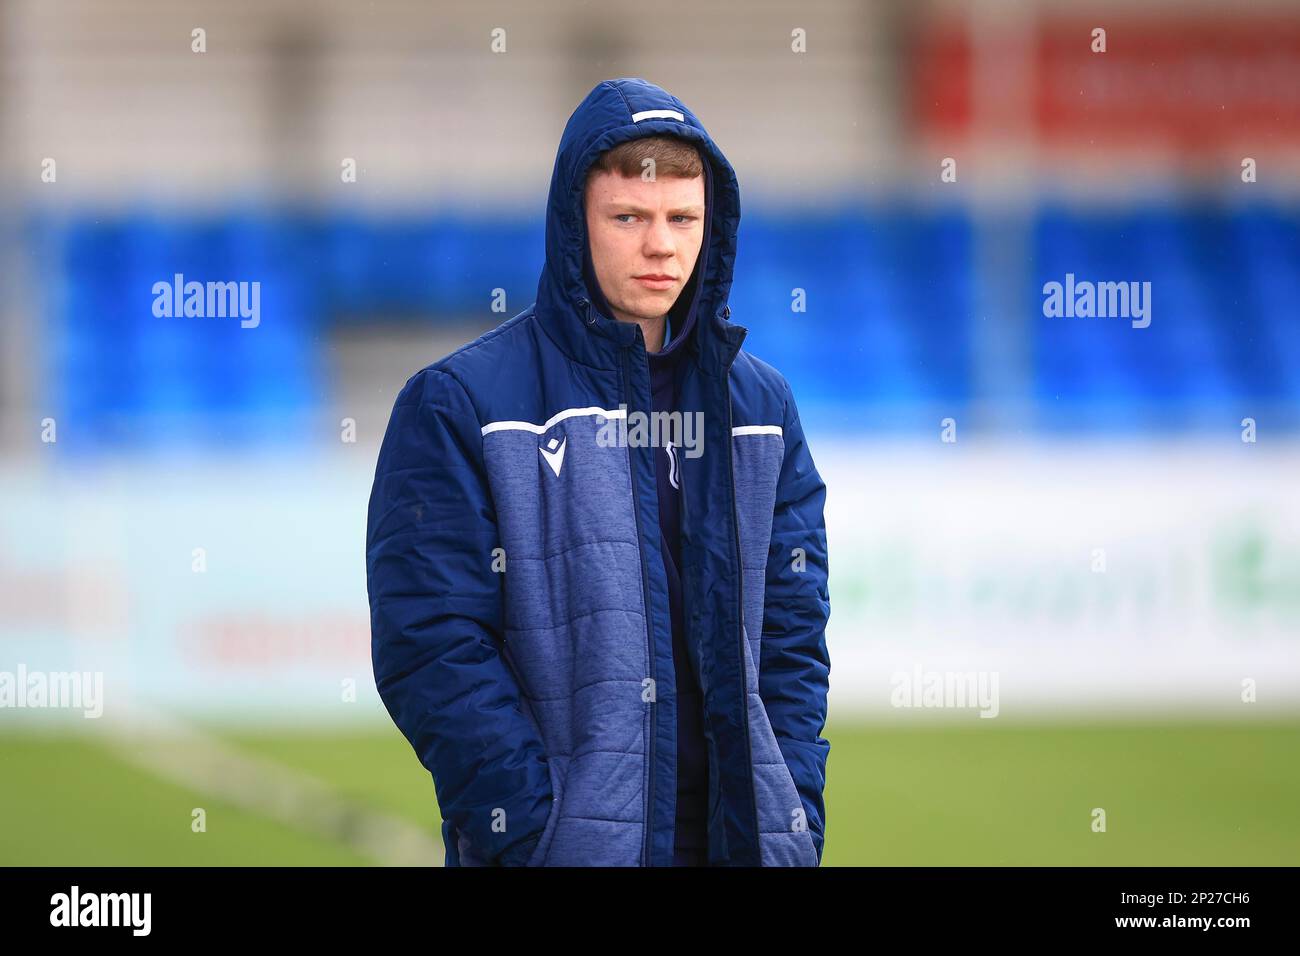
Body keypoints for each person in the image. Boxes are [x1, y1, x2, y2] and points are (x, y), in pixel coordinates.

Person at [366, 77, 830, 867]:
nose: (662, 246)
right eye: (630, 218)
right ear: (574, 224)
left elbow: (793, 634)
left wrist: (793, 818)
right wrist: (533, 831)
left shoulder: (761, 406)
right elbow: (430, 643)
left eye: (683, 219)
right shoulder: (461, 403)